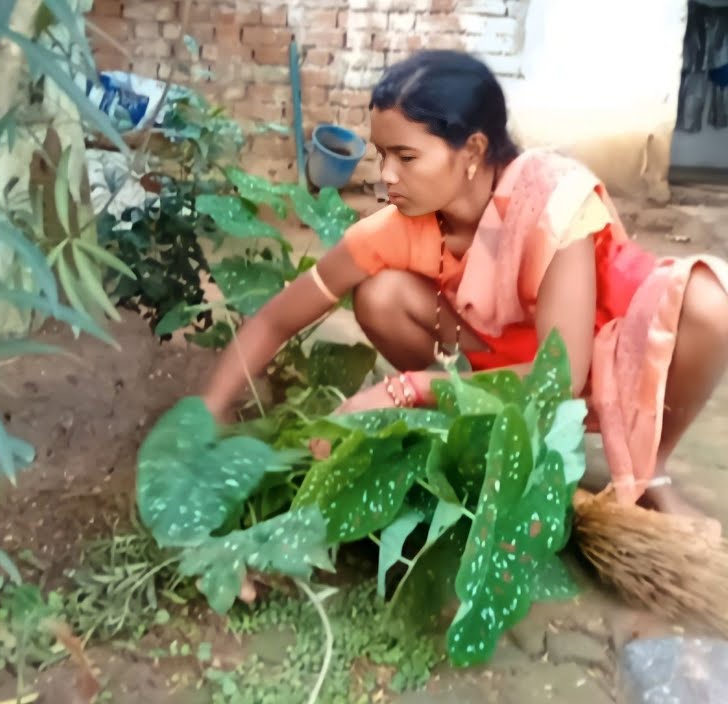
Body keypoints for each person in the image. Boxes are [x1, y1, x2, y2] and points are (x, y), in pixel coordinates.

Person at [201, 50, 728, 535]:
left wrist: (405, 389)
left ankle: (651, 471)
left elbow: (560, 379)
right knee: (379, 294)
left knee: (711, 301)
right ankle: (467, 417)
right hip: (500, 357)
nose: (386, 176)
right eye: (382, 155)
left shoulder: (554, 205)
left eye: (406, 157)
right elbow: (277, 318)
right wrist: (210, 409)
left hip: (596, 356)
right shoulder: (397, 227)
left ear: (473, 149)